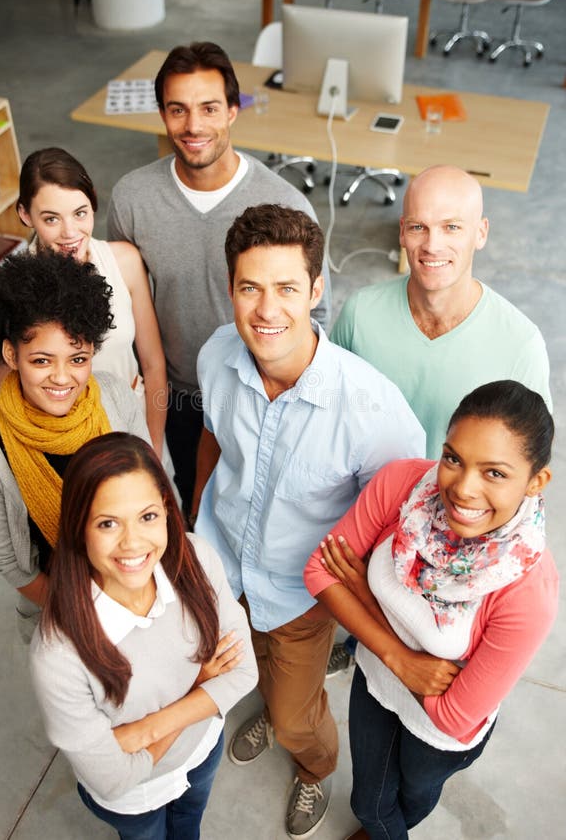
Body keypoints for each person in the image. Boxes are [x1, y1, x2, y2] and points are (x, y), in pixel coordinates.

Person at [193, 204, 425, 839]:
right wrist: (194, 525)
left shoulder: (371, 409)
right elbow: (212, 441)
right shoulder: (218, 356)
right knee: (254, 668)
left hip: (301, 591)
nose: (267, 310)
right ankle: (276, 702)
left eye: (287, 288)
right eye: (250, 288)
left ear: (317, 290)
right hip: (223, 569)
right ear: (231, 288)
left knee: (300, 721)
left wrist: (347, 594)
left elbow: (396, 521)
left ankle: (314, 766)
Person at [304, 380, 558, 840]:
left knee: (410, 799)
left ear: (536, 481)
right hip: (376, 680)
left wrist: (363, 593)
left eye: (495, 473)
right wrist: (401, 658)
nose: (462, 489)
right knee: (369, 803)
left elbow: (455, 716)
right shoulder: (405, 483)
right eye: (454, 458)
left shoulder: (528, 589)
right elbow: (319, 572)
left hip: (437, 739)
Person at [106, 41, 332, 516]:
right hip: (175, 399)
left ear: (233, 110)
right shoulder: (132, 198)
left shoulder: (286, 204)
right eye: (177, 110)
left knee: (263, 524)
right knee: (180, 518)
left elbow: (318, 313)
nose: (193, 126)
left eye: (209, 108)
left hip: (261, 397)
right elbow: (121, 301)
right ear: (162, 114)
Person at [30, 432, 258, 840]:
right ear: (79, 528)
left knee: (189, 825)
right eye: (107, 523)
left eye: (148, 516)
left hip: (202, 753)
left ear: (168, 512)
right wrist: (202, 686)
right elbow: (114, 780)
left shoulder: (196, 559)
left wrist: (142, 732)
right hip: (135, 798)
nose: (133, 542)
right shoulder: (58, 654)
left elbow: (244, 675)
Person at [0, 251, 151, 635]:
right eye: (42, 361)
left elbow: (151, 493)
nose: (62, 378)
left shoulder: (115, 398)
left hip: (144, 593)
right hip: (62, 614)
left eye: (78, 358)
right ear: (10, 354)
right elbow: (13, 566)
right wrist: (97, 617)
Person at [331, 165, 552, 460]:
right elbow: (324, 417)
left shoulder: (520, 344)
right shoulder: (360, 314)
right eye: (418, 227)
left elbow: (531, 460)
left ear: (481, 233)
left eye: (451, 227)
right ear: (402, 233)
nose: (432, 246)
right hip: (366, 498)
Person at [13, 147, 168, 461]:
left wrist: (152, 448)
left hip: (132, 427)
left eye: (80, 213)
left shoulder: (124, 261)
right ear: (25, 215)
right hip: (60, 443)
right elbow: (12, 395)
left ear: (94, 201)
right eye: (51, 218)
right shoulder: (9, 288)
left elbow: (153, 366)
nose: (71, 233)